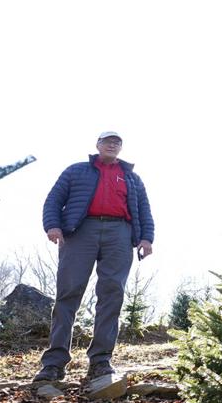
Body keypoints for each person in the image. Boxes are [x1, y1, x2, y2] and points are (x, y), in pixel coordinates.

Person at [33, 130, 156, 386]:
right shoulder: (76, 171)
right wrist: (52, 226)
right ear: (97, 145)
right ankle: (54, 363)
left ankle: (100, 360)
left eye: (117, 142)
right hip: (80, 232)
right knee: (68, 293)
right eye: (107, 141)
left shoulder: (132, 177)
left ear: (121, 148)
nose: (112, 145)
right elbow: (53, 200)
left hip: (120, 234)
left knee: (112, 294)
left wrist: (146, 239)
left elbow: (144, 210)